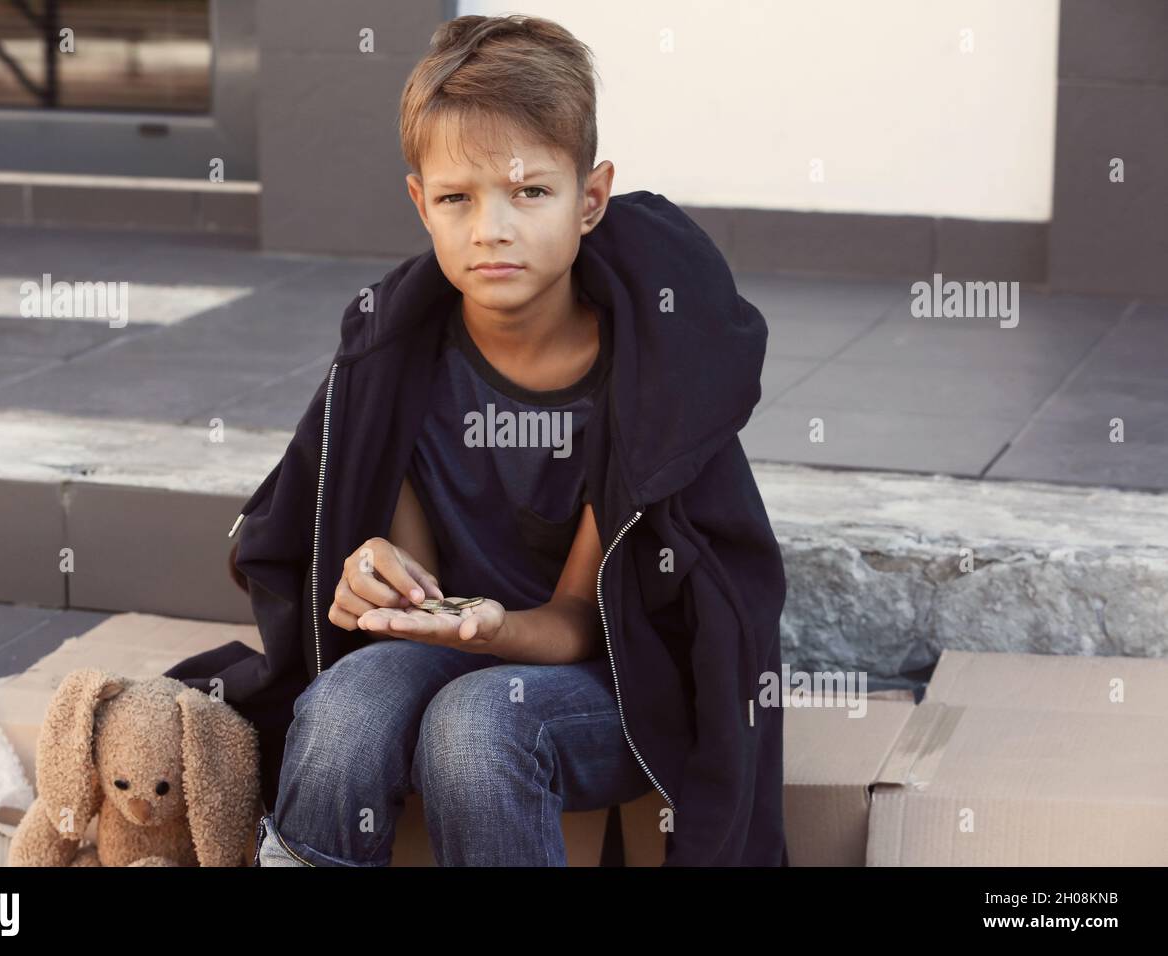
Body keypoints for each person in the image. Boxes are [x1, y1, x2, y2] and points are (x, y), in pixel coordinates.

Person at [167, 13, 788, 867]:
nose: (491, 228)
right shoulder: (396, 363)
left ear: (591, 199)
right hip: (457, 650)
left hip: (606, 686)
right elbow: (418, 602)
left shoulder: (648, 377)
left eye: (530, 192)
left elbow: (575, 622)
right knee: (346, 702)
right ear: (422, 203)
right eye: (458, 198)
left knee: (477, 723)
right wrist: (375, 581)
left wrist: (492, 634)